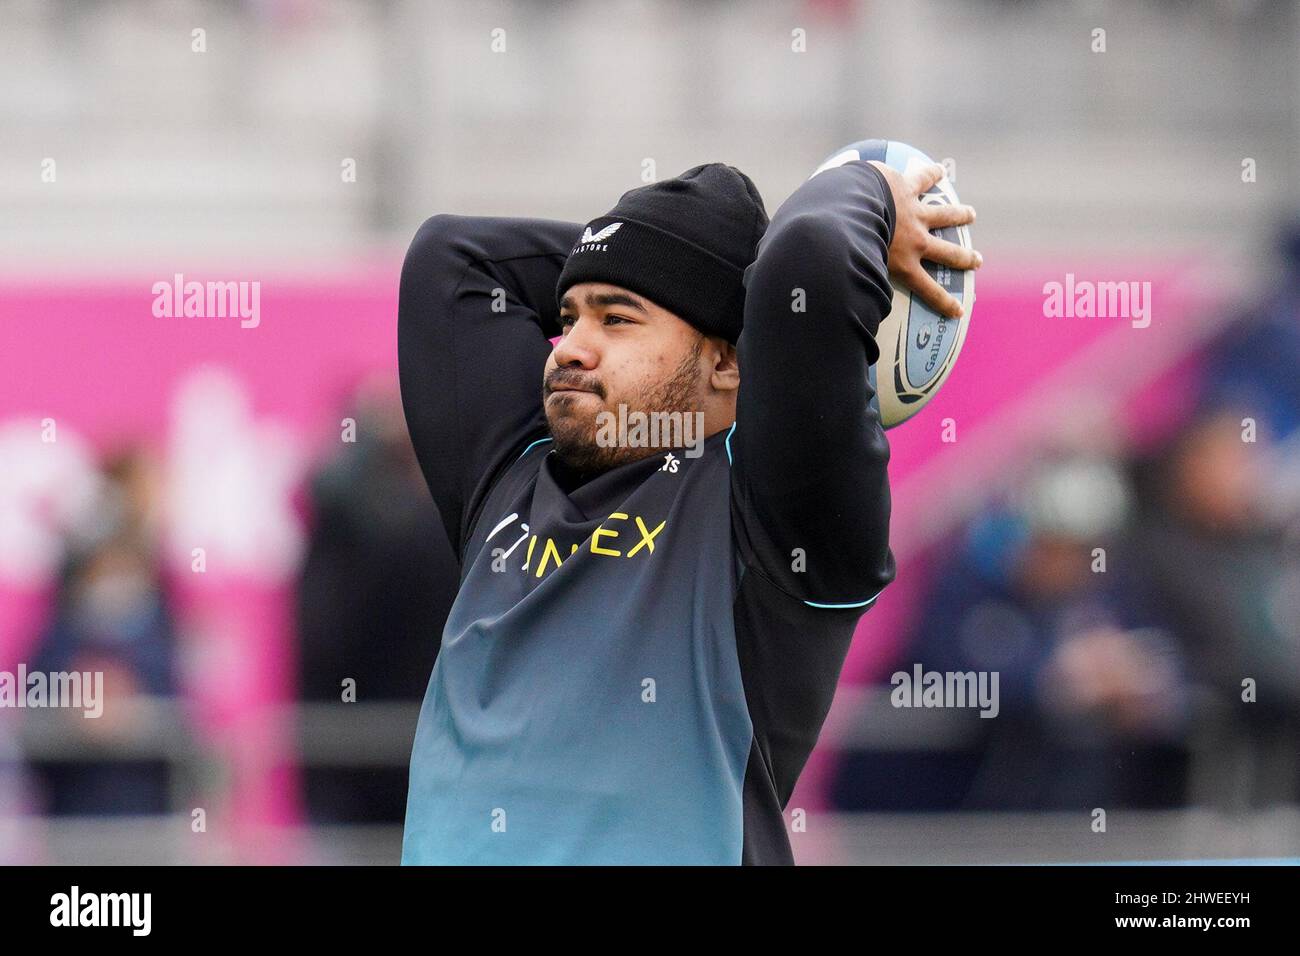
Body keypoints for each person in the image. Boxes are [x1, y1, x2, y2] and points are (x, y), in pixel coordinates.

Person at [397, 158, 980, 864]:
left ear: (729, 362)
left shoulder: (773, 513)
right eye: (566, 317)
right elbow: (450, 257)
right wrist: (655, 253)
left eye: (617, 318)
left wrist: (875, 188)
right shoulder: (509, 481)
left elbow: (808, 263)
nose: (569, 349)